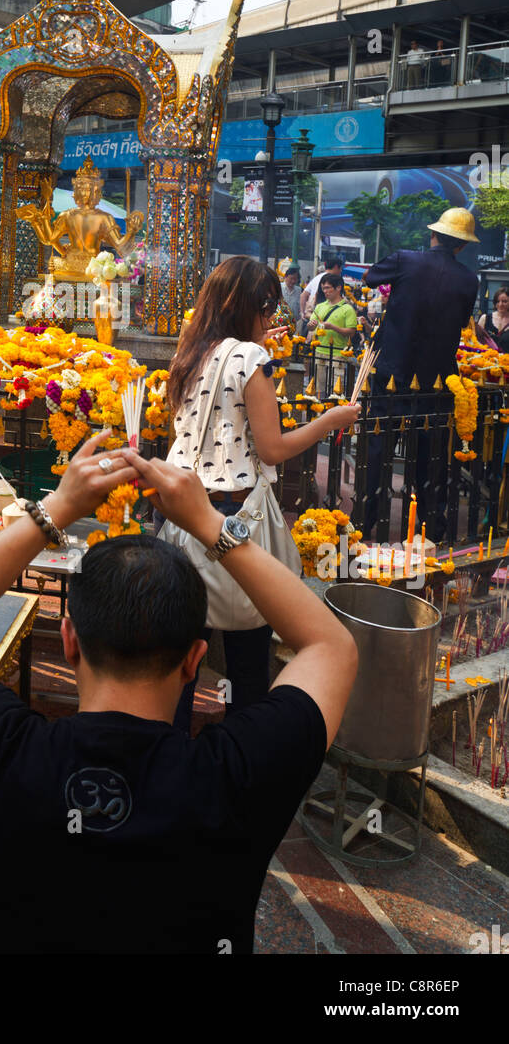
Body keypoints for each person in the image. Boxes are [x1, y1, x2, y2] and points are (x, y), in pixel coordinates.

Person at [0, 431, 358, 956]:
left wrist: (57, 508)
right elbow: (331, 647)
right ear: (196, 659)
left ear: (68, 641)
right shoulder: (235, 775)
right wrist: (210, 524)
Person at [165, 256, 359, 727]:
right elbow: (271, 449)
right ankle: (240, 765)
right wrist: (329, 421)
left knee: (180, 660)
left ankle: (168, 754)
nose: (271, 319)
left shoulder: (193, 351)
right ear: (245, 306)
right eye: (267, 308)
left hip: (183, 513)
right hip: (235, 519)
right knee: (249, 657)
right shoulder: (251, 359)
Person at [362, 207, 480, 539]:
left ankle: (366, 522)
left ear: (433, 236)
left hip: (391, 376)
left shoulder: (405, 259)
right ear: (461, 246)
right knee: (430, 456)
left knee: (378, 454)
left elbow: (371, 277)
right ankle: (431, 529)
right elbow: (460, 322)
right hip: (437, 382)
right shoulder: (468, 279)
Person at [307, 272, 360, 393]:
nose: (325, 291)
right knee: (320, 389)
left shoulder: (347, 309)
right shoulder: (320, 306)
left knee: (336, 390)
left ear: (338, 288)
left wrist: (332, 327)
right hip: (319, 351)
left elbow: (351, 332)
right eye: (323, 288)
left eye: (327, 288)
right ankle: (320, 411)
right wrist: (310, 326)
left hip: (338, 354)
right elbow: (311, 327)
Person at [300, 253, 343, 319]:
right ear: (336, 267)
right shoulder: (334, 280)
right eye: (340, 268)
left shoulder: (316, 278)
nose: (340, 271)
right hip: (323, 316)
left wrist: (302, 313)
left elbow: (303, 295)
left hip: (312, 316)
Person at [478, 285, 509, 353]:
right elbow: (476, 341)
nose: (500, 304)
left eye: (504, 301)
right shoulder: (485, 319)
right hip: (486, 360)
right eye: (498, 301)